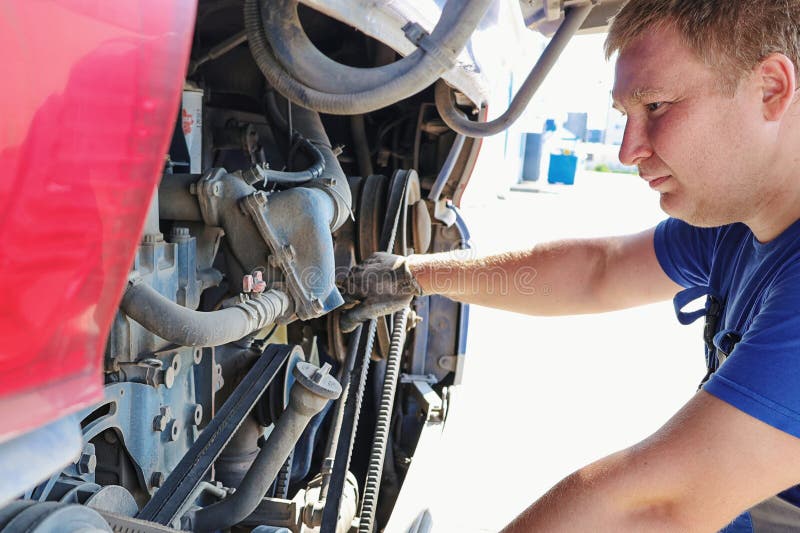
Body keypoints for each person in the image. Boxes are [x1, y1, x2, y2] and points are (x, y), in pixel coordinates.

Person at [340, 0, 800, 531]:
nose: (629, 150)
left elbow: (657, 506)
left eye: (655, 106)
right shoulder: (735, 228)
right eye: (626, 115)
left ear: (770, 89)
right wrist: (412, 275)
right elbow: (598, 270)